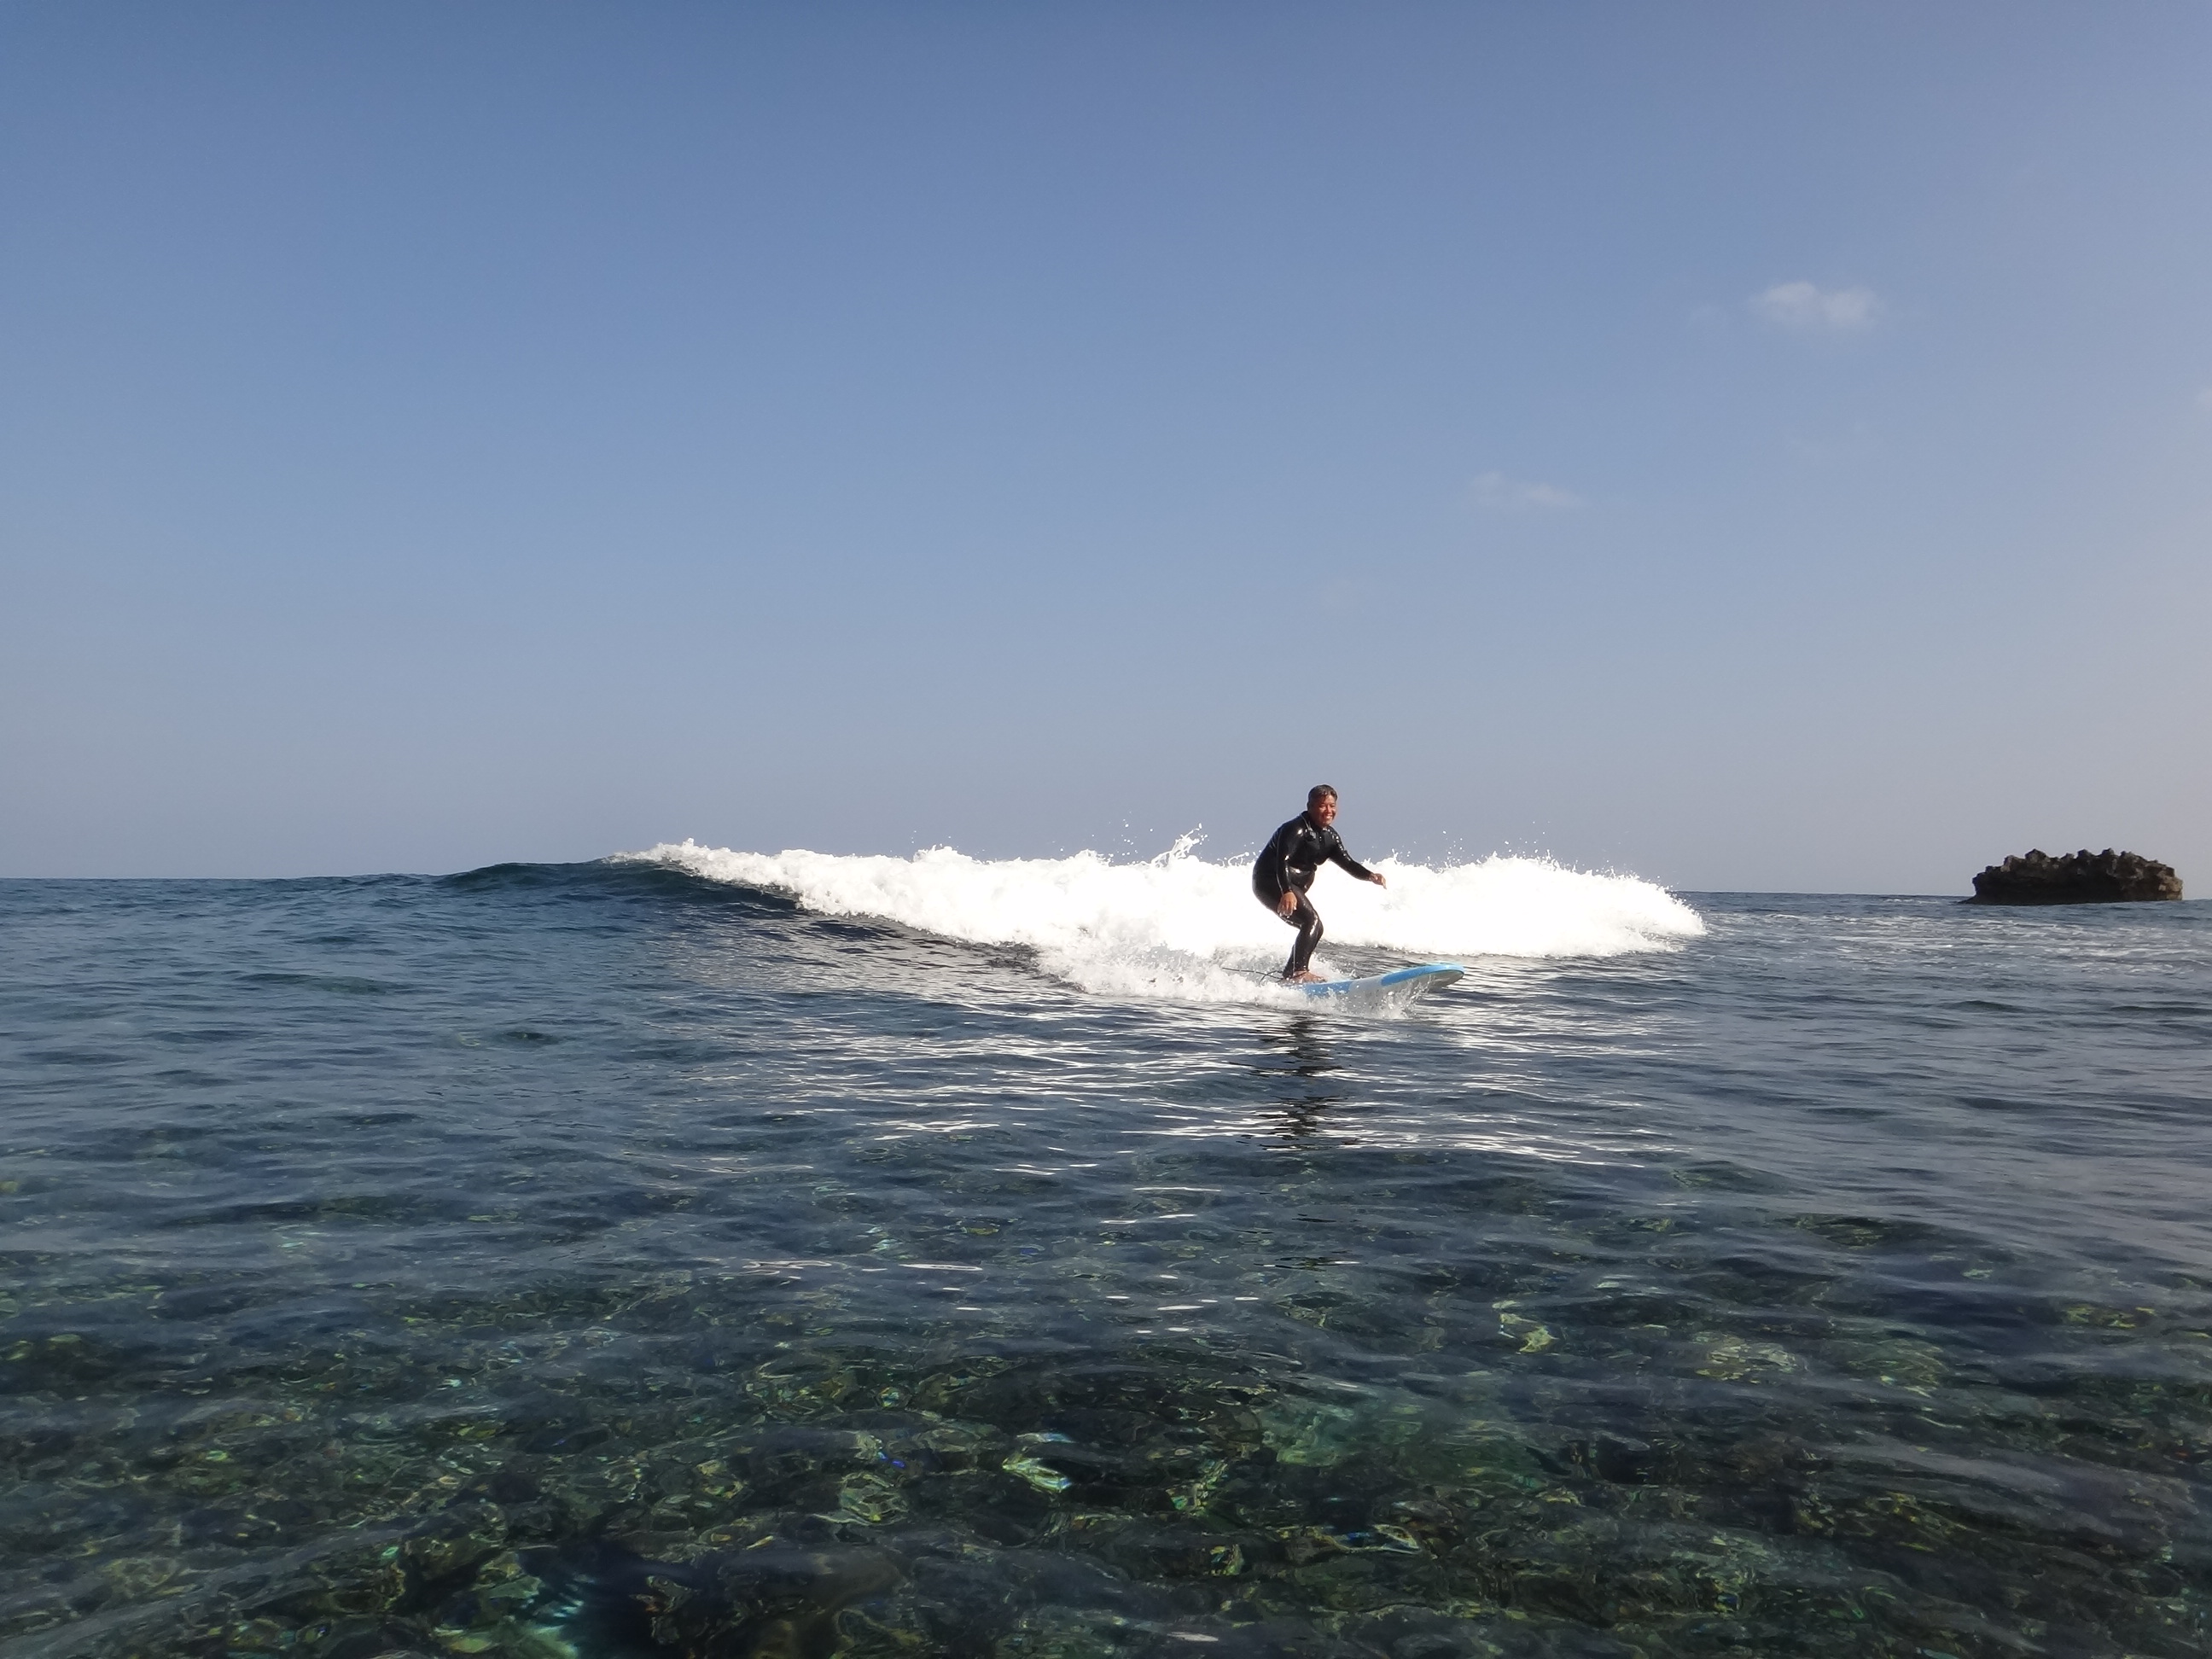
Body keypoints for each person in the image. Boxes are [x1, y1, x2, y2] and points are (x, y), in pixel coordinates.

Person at [1252, 785, 1387, 982]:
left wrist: (1370, 875)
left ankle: (1290, 975)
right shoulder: (1294, 829)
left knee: (1314, 926)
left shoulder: (1329, 836)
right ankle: (1299, 973)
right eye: (1323, 806)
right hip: (1271, 881)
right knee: (1311, 921)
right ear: (1310, 806)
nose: (1328, 811)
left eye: (1332, 806)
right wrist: (1287, 891)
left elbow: (1347, 862)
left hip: (1290, 887)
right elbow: (1282, 861)